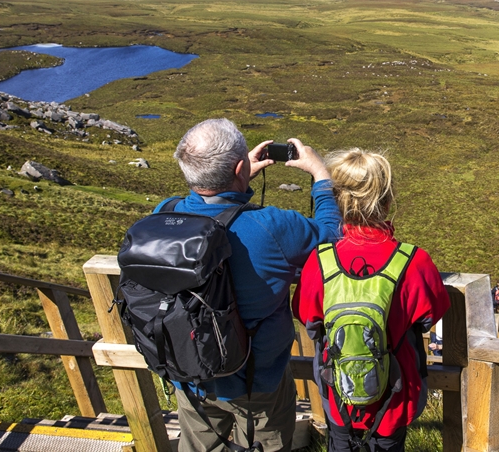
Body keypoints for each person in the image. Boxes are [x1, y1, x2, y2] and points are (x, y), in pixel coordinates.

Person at [165, 118, 342, 452]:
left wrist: (236, 178)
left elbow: (213, 205)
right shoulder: (274, 227)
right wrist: (321, 177)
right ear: (239, 165)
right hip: (256, 381)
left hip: (187, 371)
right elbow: (333, 239)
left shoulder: (165, 214)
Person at [293, 148, 449, 452]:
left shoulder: (319, 262)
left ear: (338, 201)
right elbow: (431, 316)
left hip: (338, 398)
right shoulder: (414, 261)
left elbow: (309, 320)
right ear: (387, 201)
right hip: (394, 397)